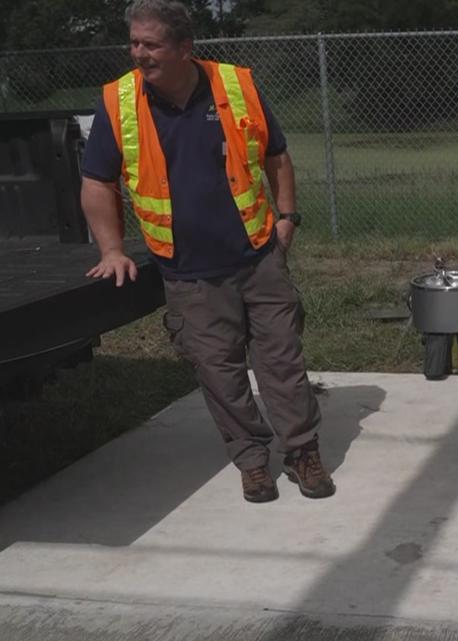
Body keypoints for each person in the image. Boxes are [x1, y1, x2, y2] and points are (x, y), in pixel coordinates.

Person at [80, 0, 333, 503]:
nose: (138, 54)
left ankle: (302, 451)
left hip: (258, 257)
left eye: (150, 44)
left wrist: (287, 217)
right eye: (133, 43)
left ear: (184, 48)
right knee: (220, 373)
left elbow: (276, 155)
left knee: (282, 359)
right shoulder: (118, 102)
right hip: (188, 272)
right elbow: (96, 181)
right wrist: (111, 248)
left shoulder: (236, 86)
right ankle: (251, 460)